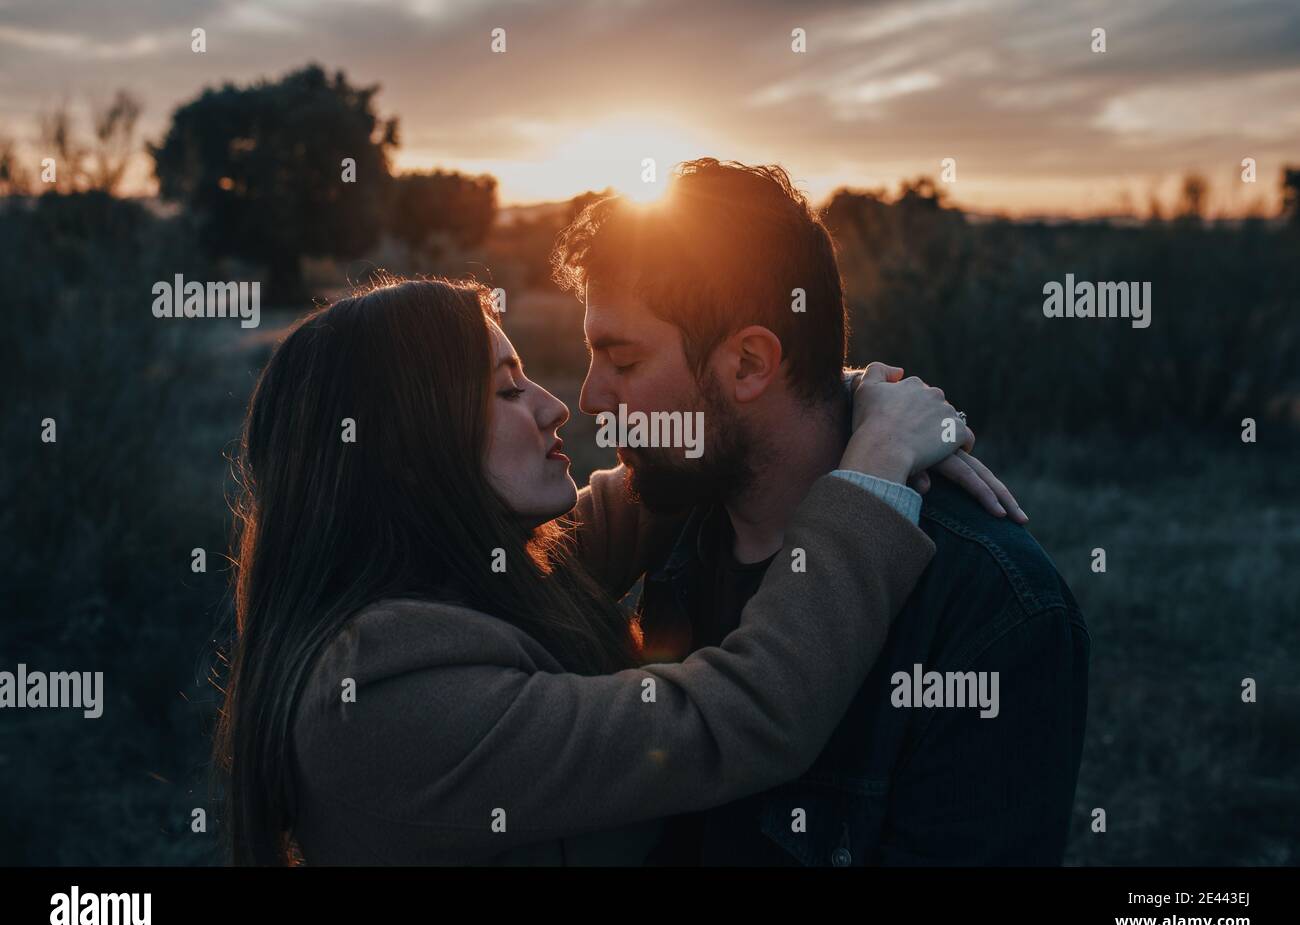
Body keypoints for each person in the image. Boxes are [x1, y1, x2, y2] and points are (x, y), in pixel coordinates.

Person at [213, 275, 994, 865]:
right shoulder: (385, 701)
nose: (557, 406)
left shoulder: (456, 580)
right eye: (507, 389)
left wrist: (821, 397)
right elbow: (742, 715)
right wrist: (876, 470)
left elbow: (637, 499)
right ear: (409, 449)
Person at [551, 158, 1090, 865]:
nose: (589, 397)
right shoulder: (674, 517)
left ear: (748, 365)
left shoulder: (992, 607)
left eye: (620, 360)